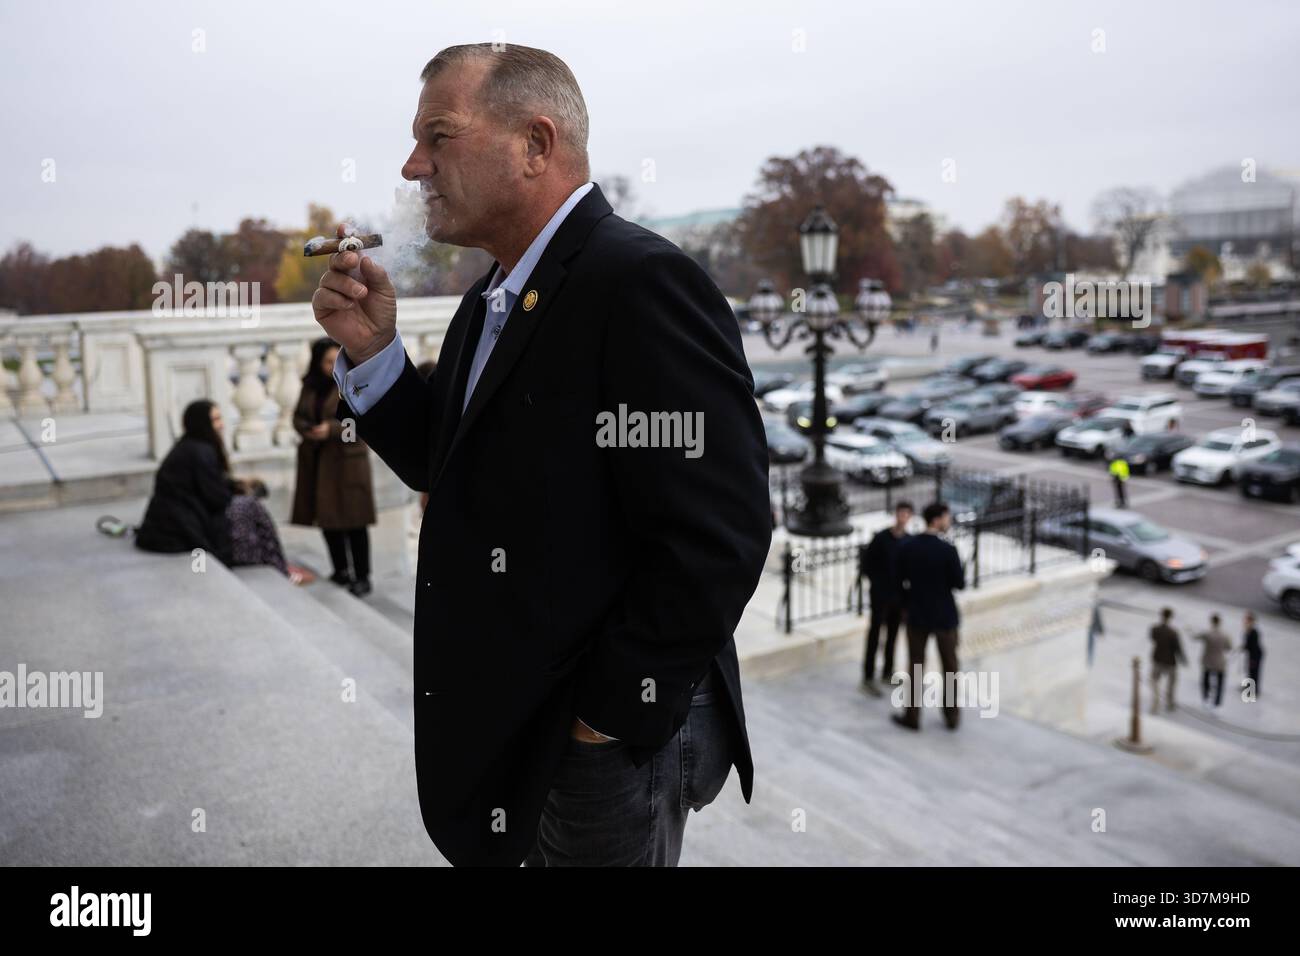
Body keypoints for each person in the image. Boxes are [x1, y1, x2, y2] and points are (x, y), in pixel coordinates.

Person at [310, 44, 770, 868]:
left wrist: (603, 721)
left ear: (536, 143)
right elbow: (457, 473)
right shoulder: (489, 296)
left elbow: (721, 534)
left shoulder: (640, 281)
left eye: (438, 135)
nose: (413, 166)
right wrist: (374, 353)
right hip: (526, 728)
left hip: (600, 743)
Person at [135, 399, 312, 584]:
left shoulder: (191, 445)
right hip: (181, 526)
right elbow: (216, 498)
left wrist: (234, 485)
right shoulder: (200, 451)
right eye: (216, 419)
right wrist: (239, 492)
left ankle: (278, 563)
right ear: (203, 423)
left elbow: (208, 486)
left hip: (178, 520)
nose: (221, 424)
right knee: (249, 507)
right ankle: (279, 566)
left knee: (248, 505)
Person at [290, 337, 377, 597]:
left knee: (354, 521)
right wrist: (306, 429)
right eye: (326, 361)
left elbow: (364, 422)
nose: (331, 366)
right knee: (328, 519)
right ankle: (341, 570)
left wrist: (331, 429)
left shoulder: (353, 383)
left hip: (347, 461)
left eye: (334, 360)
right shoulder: (311, 387)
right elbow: (298, 415)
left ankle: (362, 576)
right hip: (319, 461)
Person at [892, 501, 965, 731]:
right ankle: (951, 716)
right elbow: (959, 583)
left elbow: (898, 581)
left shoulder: (909, 546)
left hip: (917, 613)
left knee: (915, 667)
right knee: (950, 667)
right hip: (944, 615)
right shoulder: (948, 549)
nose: (948, 521)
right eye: (946, 517)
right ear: (936, 520)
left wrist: (907, 604)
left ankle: (912, 716)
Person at [859, 500, 913, 696]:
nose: (903, 517)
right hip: (880, 596)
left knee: (892, 634)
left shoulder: (908, 540)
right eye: (901, 513)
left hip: (898, 598)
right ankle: (868, 676)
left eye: (907, 514)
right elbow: (867, 565)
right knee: (875, 635)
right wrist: (878, 584)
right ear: (896, 515)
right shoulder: (881, 538)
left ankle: (887, 671)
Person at [1149, 607, 1184, 713]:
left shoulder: (1155, 629)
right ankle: (1170, 701)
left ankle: (1155, 702)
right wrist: (1183, 659)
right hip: (1170, 660)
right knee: (1171, 682)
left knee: (1154, 681)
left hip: (1158, 657)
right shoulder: (1173, 633)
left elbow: (1153, 639)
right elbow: (1178, 648)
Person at [1196, 613, 1232, 708]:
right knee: (1220, 683)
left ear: (1211, 622)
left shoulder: (1207, 634)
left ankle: (1206, 698)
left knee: (1205, 680)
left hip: (1208, 661)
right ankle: (1217, 702)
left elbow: (1196, 637)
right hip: (1220, 662)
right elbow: (1228, 647)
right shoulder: (1225, 635)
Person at [1242, 612, 1263, 697]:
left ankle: (1254, 690)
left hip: (1255, 656)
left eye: (1246, 620)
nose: (1244, 621)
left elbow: (1253, 646)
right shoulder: (1249, 630)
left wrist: (1253, 660)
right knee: (1250, 671)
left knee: (1254, 672)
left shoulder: (1253, 632)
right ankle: (1249, 686)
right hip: (1252, 654)